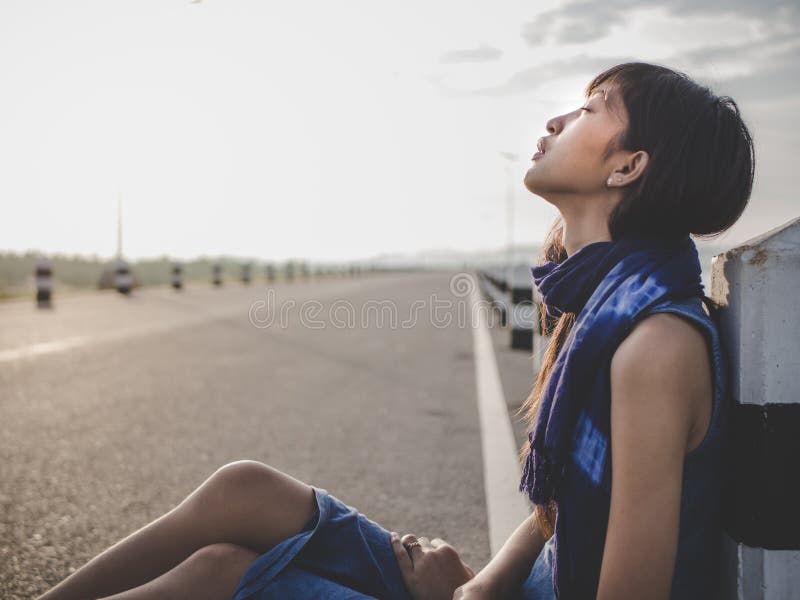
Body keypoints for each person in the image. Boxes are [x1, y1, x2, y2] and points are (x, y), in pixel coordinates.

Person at [36, 61, 754, 600]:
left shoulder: (653, 344)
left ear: (629, 165)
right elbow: (557, 512)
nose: (556, 122)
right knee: (243, 490)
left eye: (592, 109)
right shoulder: (600, 303)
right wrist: (474, 590)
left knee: (220, 574)